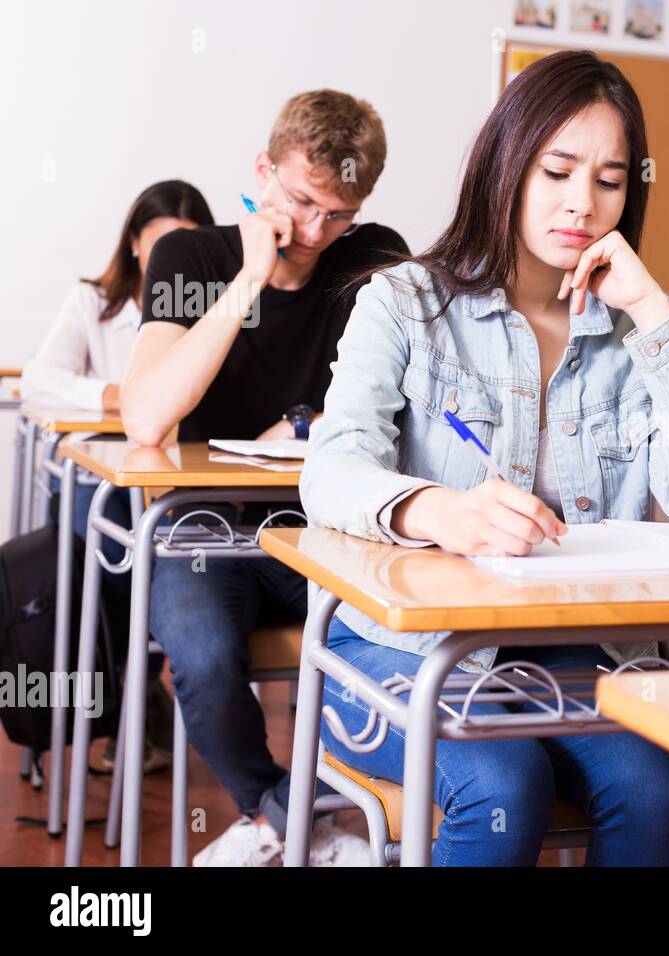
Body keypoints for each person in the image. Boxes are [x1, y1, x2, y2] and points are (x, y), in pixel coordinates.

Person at [301, 50, 669, 866]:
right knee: (502, 783)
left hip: (567, 647)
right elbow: (328, 471)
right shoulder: (403, 303)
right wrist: (440, 511)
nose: (582, 203)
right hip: (399, 646)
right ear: (505, 167)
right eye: (557, 170)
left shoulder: (634, 337)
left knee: (661, 791)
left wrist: (654, 312)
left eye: (612, 180)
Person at [123, 90, 408, 865]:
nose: (315, 232)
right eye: (302, 202)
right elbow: (147, 420)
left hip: (326, 523)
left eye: (337, 215)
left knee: (394, 647)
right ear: (262, 171)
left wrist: (310, 426)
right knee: (205, 661)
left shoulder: (371, 260)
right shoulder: (192, 257)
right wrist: (249, 279)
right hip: (205, 522)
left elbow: (411, 403)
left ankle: (283, 824)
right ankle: (289, 816)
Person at [23, 179, 215, 771]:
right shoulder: (93, 303)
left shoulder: (215, 306)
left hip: (177, 471)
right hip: (99, 468)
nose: (167, 261)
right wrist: (127, 398)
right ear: (134, 244)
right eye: (157, 246)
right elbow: (39, 380)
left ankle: (149, 677)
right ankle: (122, 687)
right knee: (102, 539)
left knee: (182, 550)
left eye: (183, 247)